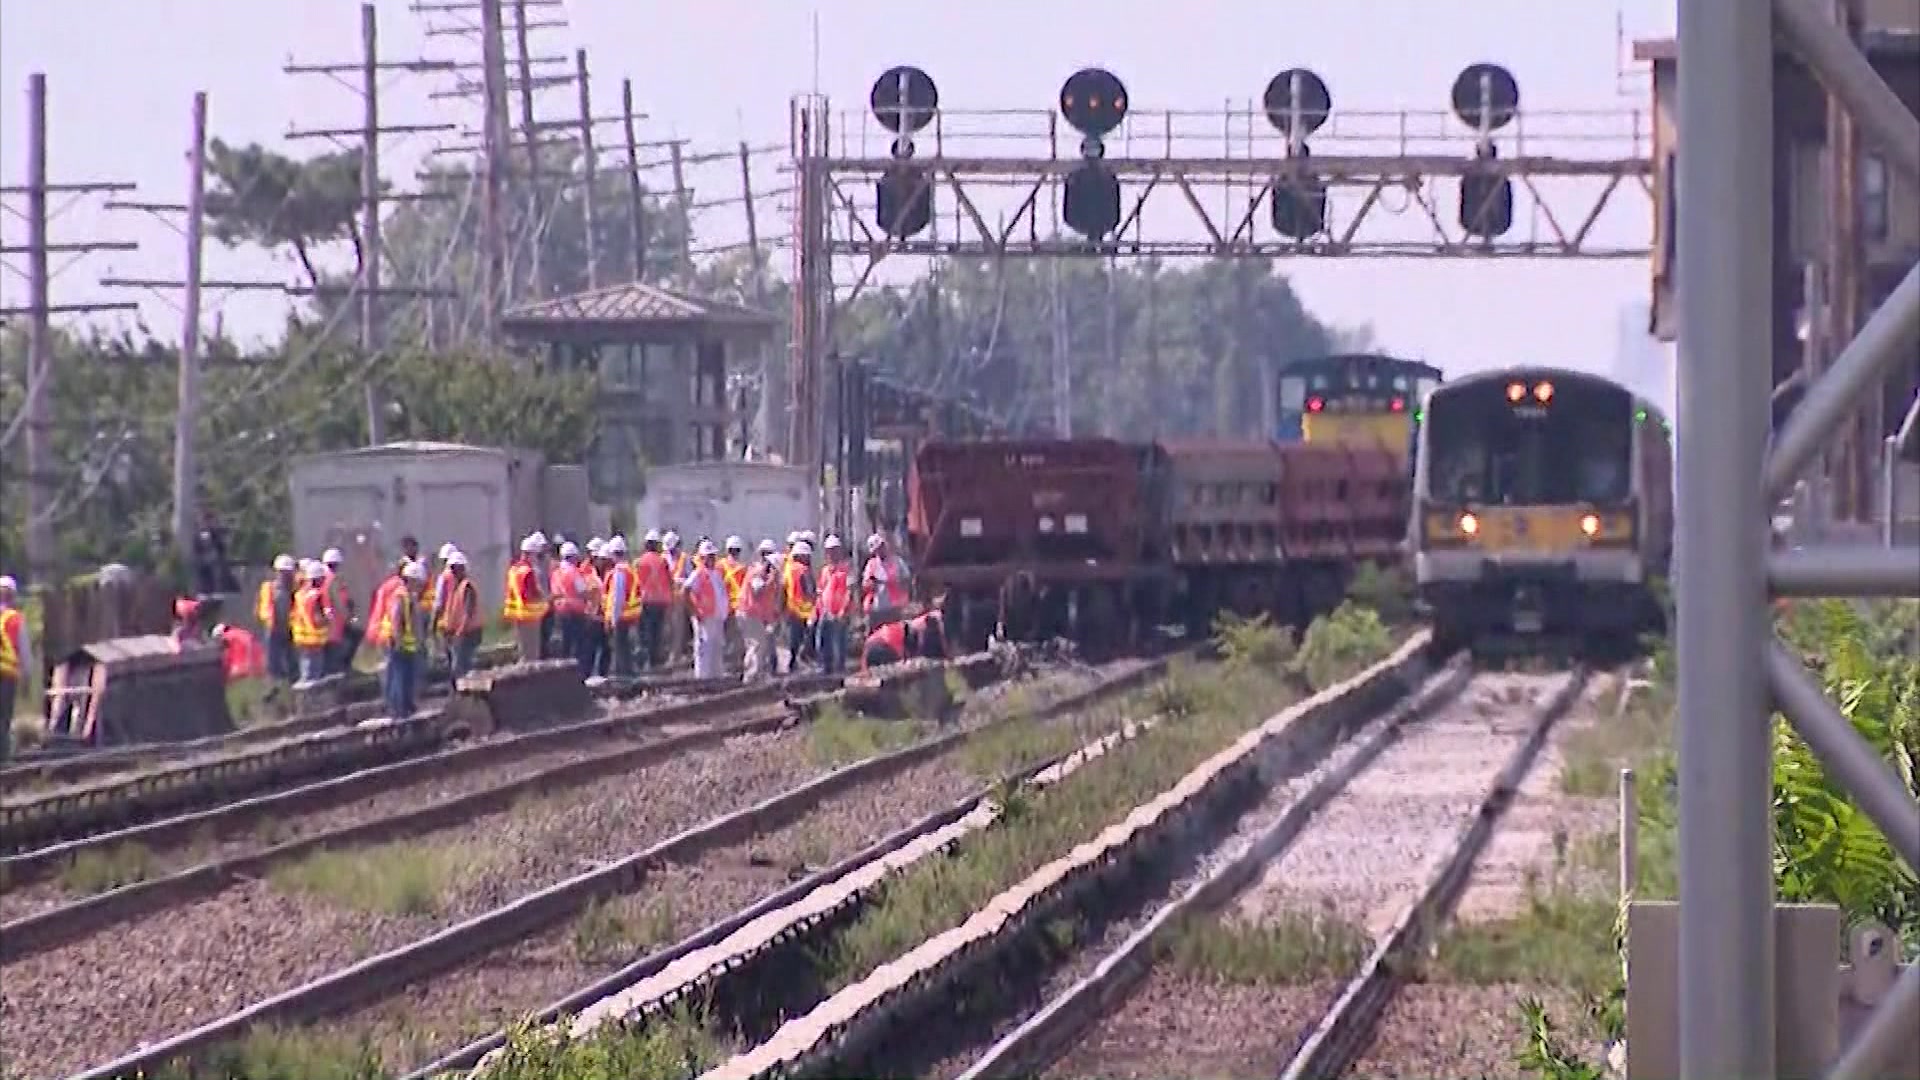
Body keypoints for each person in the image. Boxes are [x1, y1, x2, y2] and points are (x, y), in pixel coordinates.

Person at [373, 560, 428, 718]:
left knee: (406, 676)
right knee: (399, 677)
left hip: (406, 644)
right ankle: (398, 709)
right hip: (398, 643)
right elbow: (396, 619)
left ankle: (406, 706)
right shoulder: (401, 596)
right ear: (411, 579)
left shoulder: (409, 596)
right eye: (418, 582)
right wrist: (397, 641)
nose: (420, 586)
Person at [682, 539, 731, 679]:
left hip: (717, 615)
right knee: (705, 647)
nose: (711, 559)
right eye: (708, 556)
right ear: (702, 557)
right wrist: (694, 612)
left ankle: (716, 674)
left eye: (713, 556)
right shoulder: (698, 573)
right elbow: (686, 590)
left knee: (717, 645)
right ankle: (703, 676)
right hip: (704, 616)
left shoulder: (716, 573)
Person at [436, 551, 482, 682]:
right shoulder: (456, 587)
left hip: (467, 632)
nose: (454, 572)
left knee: (461, 666)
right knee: (458, 665)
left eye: (456, 568)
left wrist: (460, 631)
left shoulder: (467, 587)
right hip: (458, 632)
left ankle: (465, 694)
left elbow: (468, 612)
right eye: (453, 569)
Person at [737, 541, 780, 680]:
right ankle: (750, 678)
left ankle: (754, 676)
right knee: (757, 646)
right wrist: (770, 580)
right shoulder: (758, 572)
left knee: (756, 646)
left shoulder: (762, 572)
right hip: (749, 613)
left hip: (753, 614)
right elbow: (757, 591)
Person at [504, 534, 549, 663]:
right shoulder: (527, 571)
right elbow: (531, 593)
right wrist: (544, 599)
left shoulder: (513, 569)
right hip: (530, 615)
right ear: (531, 554)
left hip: (517, 614)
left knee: (522, 648)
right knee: (532, 651)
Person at [0, 575, 30, 762]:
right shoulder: (16, 619)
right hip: (7, 675)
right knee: (3, 717)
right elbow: (24, 650)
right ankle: (3, 758)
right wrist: (26, 678)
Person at [255, 555, 299, 683]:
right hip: (274, 627)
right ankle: (275, 681)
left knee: (292, 658)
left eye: (288, 572)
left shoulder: (294, 588)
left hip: (290, 628)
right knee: (273, 659)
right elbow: (262, 608)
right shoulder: (269, 588)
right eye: (283, 572)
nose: (285, 575)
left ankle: (292, 679)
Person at [602, 535, 641, 677]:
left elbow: (617, 598)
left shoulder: (619, 572)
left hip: (621, 616)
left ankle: (623, 677)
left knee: (620, 649)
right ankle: (627, 675)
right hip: (629, 615)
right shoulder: (630, 570)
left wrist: (613, 619)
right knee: (625, 649)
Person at [634, 530, 673, 670]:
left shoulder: (639, 561)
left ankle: (648, 659)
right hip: (661, 600)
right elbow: (669, 580)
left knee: (646, 631)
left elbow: (635, 583)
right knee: (657, 631)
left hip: (646, 600)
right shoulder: (662, 560)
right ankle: (656, 659)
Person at [815, 535, 853, 674]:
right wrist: (818, 609)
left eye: (834, 550)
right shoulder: (825, 570)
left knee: (839, 642)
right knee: (823, 641)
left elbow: (850, 591)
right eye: (829, 551)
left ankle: (839, 670)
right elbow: (820, 591)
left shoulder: (846, 569)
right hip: (825, 611)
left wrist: (844, 609)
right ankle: (826, 668)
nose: (831, 554)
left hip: (839, 612)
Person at [291, 560, 334, 683]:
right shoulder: (318, 595)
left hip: (300, 636)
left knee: (305, 662)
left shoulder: (299, 594)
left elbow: (295, 614)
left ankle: (304, 683)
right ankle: (312, 689)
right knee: (315, 666)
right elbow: (319, 618)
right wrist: (329, 619)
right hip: (314, 637)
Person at [551, 541, 588, 674]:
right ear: (573, 557)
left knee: (565, 643)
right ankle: (579, 672)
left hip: (560, 611)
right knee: (578, 644)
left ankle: (564, 672)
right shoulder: (574, 572)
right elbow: (583, 591)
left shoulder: (556, 573)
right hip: (575, 611)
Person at [861, 532, 913, 628]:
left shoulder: (897, 561)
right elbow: (865, 585)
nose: (881, 550)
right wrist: (872, 583)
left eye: (882, 546)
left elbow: (907, 579)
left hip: (894, 607)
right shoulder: (871, 564)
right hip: (877, 608)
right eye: (877, 549)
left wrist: (896, 583)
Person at [781, 540, 817, 673]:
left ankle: (792, 664)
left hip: (791, 609)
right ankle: (801, 662)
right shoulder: (804, 570)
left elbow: (784, 589)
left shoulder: (788, 569)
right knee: (804, 638)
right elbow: (809, 591)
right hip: (804, 610)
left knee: (793, 639)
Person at [721, 536, 748, 668]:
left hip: (723, 607)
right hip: (738, 606)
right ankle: (735, 664)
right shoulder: (743, 569)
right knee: (737, 638)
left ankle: (725, 663)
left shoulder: (719, 566)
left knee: (724, 637)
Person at [662, 531, 689, 663]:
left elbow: (690, 577)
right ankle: (667, 653)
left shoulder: (684, 558)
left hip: (679, 597)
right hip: (666, 597)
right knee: (667, 627)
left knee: (678, 627)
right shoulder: (663, 558)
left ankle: (676, 655)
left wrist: (681, 581)